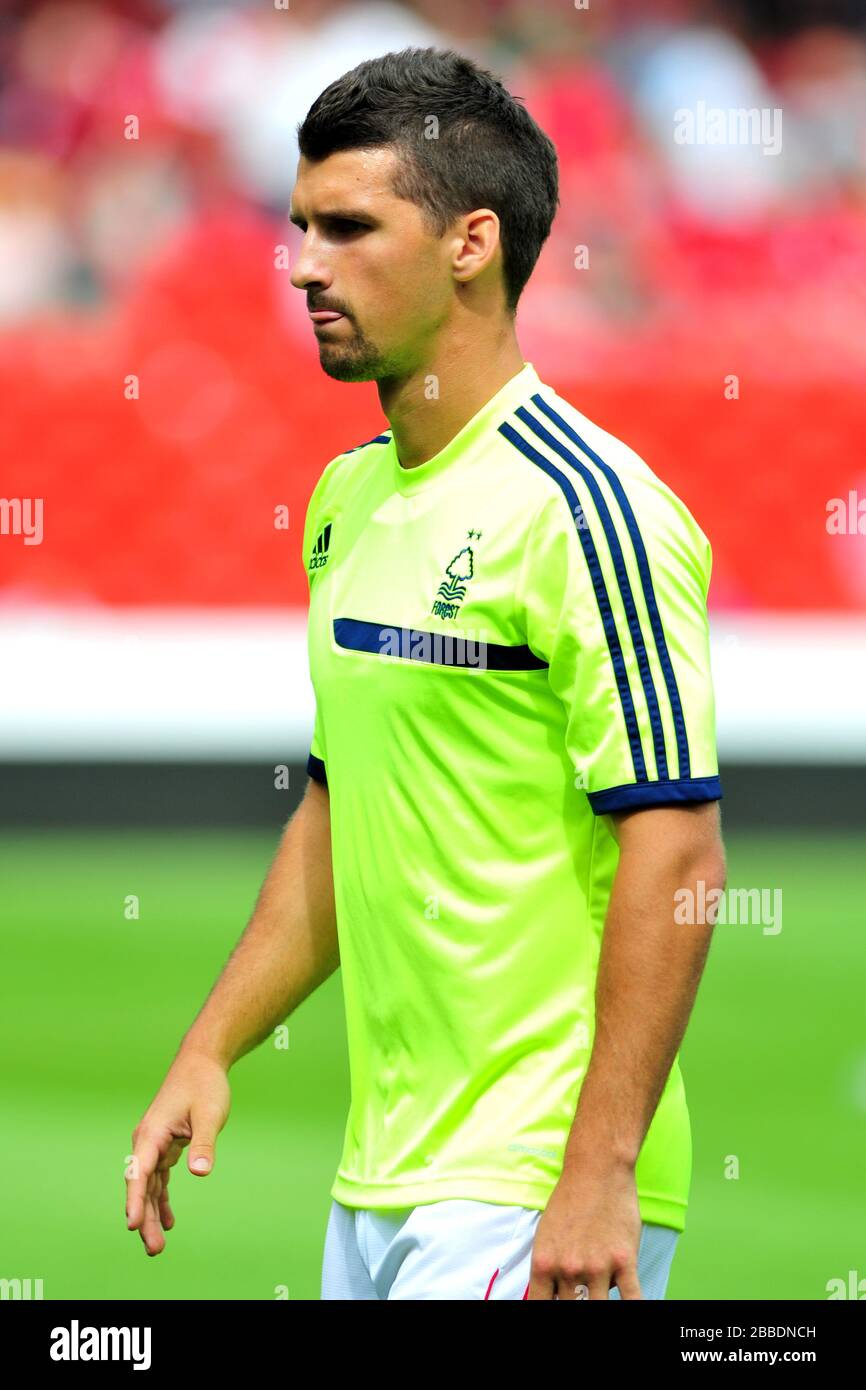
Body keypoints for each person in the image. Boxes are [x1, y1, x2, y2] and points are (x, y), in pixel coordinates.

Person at [126, 46, 726, 1302]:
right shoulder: (346, 499)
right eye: (297, 226)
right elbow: (342, 806)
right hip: (381, 1175)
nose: (300, 264)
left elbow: (677, 849)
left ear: (470, 244)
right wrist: (211, 1044)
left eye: (346, 228)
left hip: (534, 1184)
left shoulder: (588, 510)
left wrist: (597, 1169)